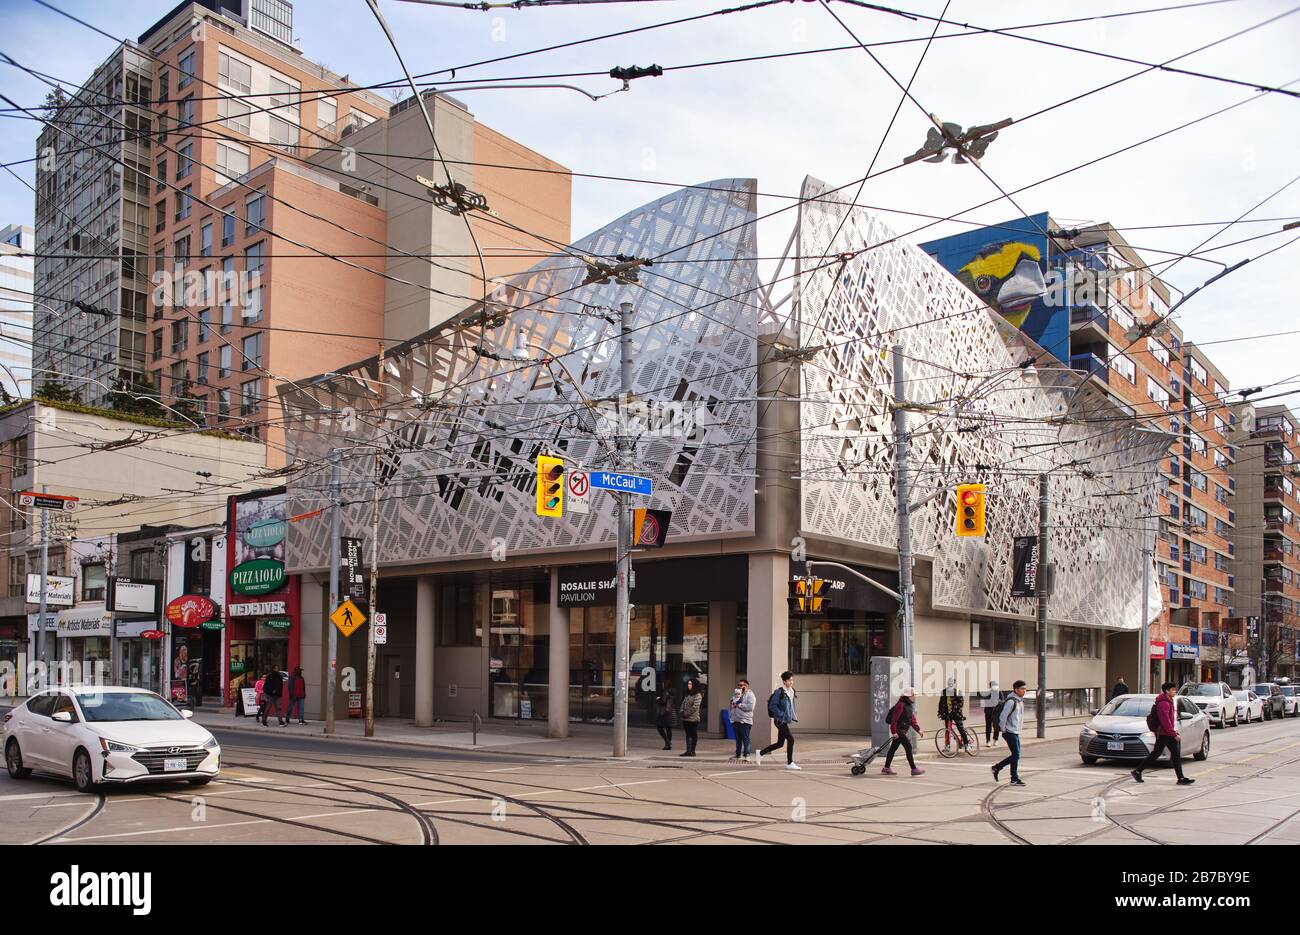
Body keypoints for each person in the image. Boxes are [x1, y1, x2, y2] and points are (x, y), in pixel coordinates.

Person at [1131, 682, 1195, 786]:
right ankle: (1137, 771)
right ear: (1167, 691)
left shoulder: (1169, 701)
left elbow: (1169, 721)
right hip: (1164, 734)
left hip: (1167, 733)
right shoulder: (1163, 703)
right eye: (1173, 689)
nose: (1175, 691)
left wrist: (1172, 733)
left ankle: (1181, 778)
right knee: (1157, 753)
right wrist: (1174, 734)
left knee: (1175, 754)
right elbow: (1165, 721)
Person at [757, 671, 800, 770]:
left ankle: (760, 753)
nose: (791, 682)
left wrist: (792, 716)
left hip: (785, 720)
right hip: (779, 720)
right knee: (791, 739)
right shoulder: (779, 692)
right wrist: (781, 714)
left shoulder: (792, 691)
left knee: (780, 744)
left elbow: (791, 706)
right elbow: (772, 706)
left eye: (792, 680)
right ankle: (790, 763)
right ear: (784, 681)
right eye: (789, 680)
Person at [881, 687, 926, 776]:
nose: (914, 696)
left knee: (893, 748)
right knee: (908, 747)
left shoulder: (909, 705)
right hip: (899, 730)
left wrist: (918, 730)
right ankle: (913, 769)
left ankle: (886, 768)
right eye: (913, 695)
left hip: (902, 730)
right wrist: (894, 732)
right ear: (908, 695)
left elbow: (912, 719)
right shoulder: (900, 705)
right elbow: (894, 720)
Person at [992, 679, 1028, 786]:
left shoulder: (1019, 700)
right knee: (1016, 755)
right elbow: (1003, 717)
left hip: (1015, 731)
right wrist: (1003, 729)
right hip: (1009, 731)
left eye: (1025, 688)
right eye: (1022, 689)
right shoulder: (1011, 701)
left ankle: (1009, 775)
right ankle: (1004, 772)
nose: (1024, 691)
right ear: (1016, 689)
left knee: (1015, 755)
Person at [938, 677, 970, 748]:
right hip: (947, 714)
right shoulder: (944, 692)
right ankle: (947, 745)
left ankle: (967, 743)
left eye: (951, 682)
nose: (950, 684)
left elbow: (961, 703)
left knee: (960, 728)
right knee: (948, 730)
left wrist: (955, 710)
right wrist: (940, 713)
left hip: (956, 713)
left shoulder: (958, 692)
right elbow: (941, 703)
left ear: (954, 683)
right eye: (949, 682)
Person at [729, 679, 756, 761]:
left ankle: (747, 755)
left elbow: (750, 707)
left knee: (745, 738)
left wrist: (739, 705)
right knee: (738, 739)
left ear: (746, 686)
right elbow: (732, 705)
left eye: (741, 685)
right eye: (738, 685)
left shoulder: (750, 695)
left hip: (745, 721)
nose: (739, 687)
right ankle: (737, 755)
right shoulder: (737, 695)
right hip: (735, 720)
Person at [679, 678, 702, 757]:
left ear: (694, 685)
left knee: (693, 734)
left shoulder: (698, 695)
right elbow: (683, 703)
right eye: (688, 684)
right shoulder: (688, 694)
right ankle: (688, 751)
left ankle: (692, 751)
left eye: (690, 684)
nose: (689, 685)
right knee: (688, 734)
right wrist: (681, 711)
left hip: (693, 719)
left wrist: (686, 713)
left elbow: (695, 707)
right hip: (685, 718)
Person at [654, 686, 676, 750]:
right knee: (668, 728)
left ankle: (667, 742)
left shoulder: (665, 692)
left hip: (664, 713)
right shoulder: (672, 691)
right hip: (670, 712)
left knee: (659, 726)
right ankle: (668, 744)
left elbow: (663, 701)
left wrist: (658, 699)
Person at [982, 680, 1002, 747]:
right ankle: (988, 741)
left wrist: (998, 701)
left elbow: (1002, 701)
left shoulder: (999, 692)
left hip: (996, 712)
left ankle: (995, 739)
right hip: (989, 712)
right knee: (988, 727)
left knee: (996, 726)